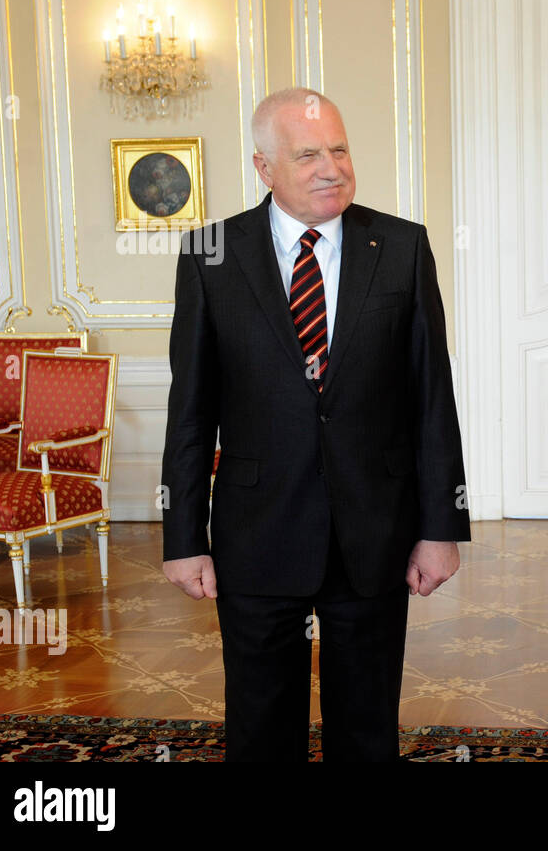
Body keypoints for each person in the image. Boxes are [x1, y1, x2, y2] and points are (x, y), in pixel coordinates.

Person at [160, 87, 470, 761]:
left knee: (366, 728)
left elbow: (431, 398)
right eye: (308, 154)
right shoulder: (210, 254)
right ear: (264, 166)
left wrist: (441, 528)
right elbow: (191, 410)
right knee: (261, 725)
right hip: (257, 531)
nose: (332, 167)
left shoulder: (403, 247)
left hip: (375, 532)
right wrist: (183, 536)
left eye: (339, 148)